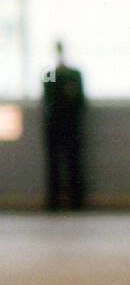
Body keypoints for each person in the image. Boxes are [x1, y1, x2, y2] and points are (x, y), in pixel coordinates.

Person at [42, 41, 86, 211]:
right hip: (55, 125)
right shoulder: (51, 74)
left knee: (74, 163)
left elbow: (79, 100)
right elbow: (48, 97)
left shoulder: (74, 74)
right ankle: (55, 200)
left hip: (71, 125)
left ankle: (76, 200)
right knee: (54, 165)